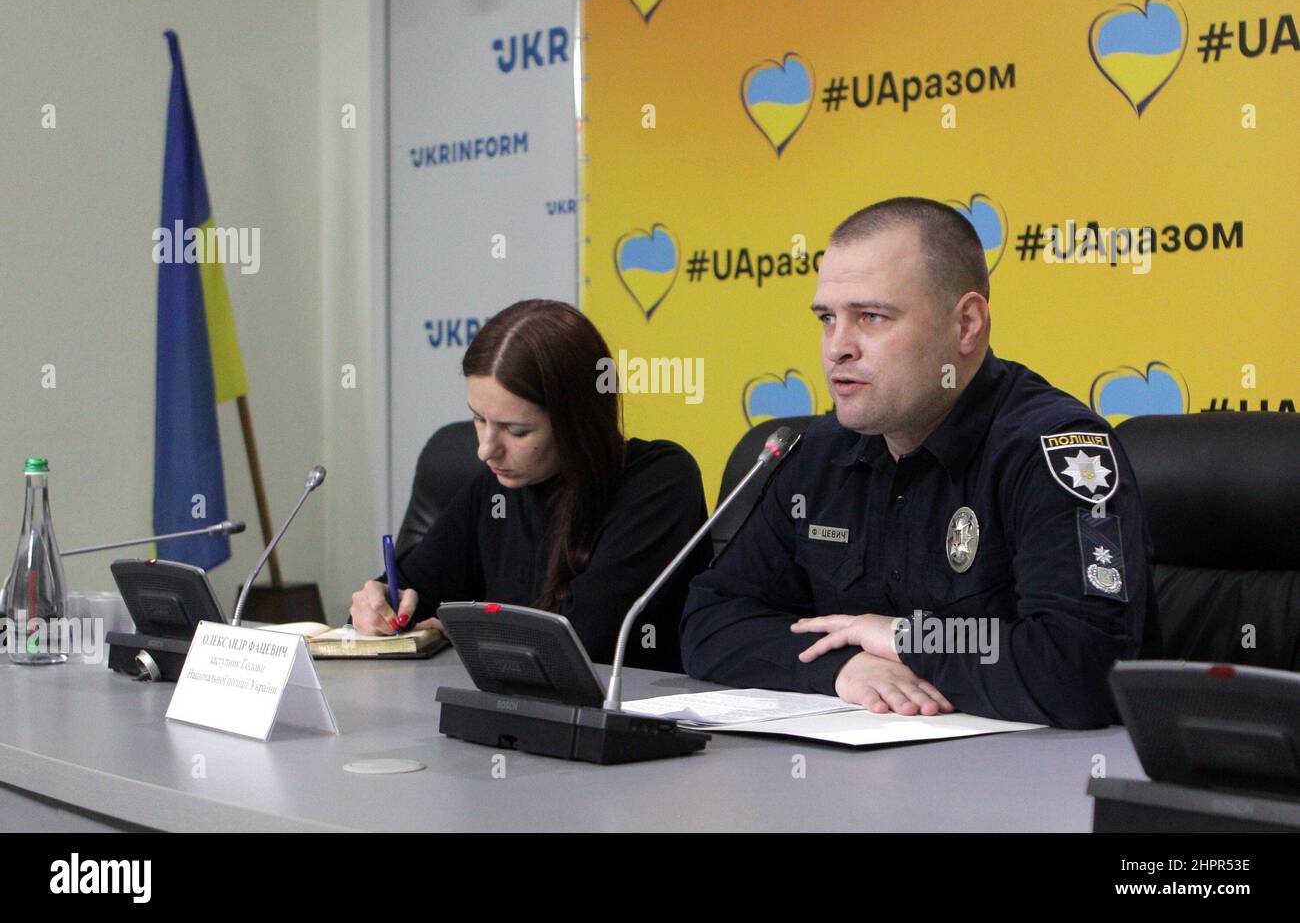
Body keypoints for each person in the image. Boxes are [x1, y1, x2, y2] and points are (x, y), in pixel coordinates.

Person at [680, 197, 1161, 728]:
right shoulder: (818, 452)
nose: (837, 348)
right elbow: (710, 617)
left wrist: (909, 638)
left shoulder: (1053, 450)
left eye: (871, 317)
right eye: (826, 319)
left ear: (967, 324)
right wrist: (843, 667)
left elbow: (1082, 666)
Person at [351, 299, 711, 673]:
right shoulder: (495, 490)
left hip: (626, 716)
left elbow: (584, 641)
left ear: (576, 422)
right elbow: (412, 591)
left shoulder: (660, 482)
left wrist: (464, 635)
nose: (485, 449)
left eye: (516, 430)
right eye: (478, 419)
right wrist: (376, 606)